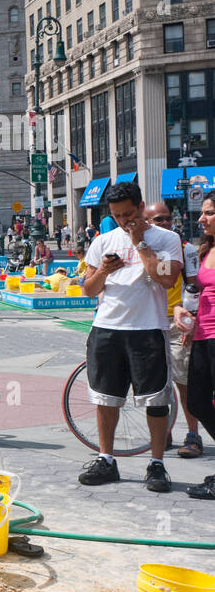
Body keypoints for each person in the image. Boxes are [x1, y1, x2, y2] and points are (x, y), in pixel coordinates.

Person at [78, 181, 181, 492]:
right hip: (108, 328)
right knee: (106, 397)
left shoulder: (166, 239)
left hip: (148, 329)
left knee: (155, 398)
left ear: (140, 207)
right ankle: (106, 458)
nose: (123, 221)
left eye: (128, 214)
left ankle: (157, 463)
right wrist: (104, 272)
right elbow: (88, 289)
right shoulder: (103, 241)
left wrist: (139, 243)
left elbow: (165, 278)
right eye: (116, 215)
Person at [145, 202, 203, 458]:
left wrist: (191, 318)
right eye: (158, 219)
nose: (166, 223)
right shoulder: (140, 249)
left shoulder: (185, 248)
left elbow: (193, 285)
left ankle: (193, 434)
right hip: (147, 321)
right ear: (145, 221)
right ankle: (163, 432)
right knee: (156, 383)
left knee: (184, 381)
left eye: (168, 218)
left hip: (176, 322)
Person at [174, 190, 215, 498]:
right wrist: (190, 320)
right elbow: (201, 293)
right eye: (203, 212)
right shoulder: (207, 248)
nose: (202, 218)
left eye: (209, 213)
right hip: (202, 333)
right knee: (197, 401)